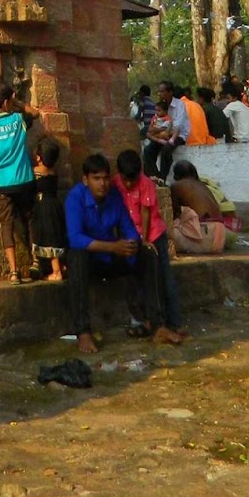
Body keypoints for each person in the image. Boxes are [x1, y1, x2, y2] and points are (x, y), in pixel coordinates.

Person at [64, 152, 180, 354]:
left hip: (111, 257)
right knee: (76, 256)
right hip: (91, 260)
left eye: (106, 178)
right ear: (86, 180)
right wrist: (113, 247)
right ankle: (83, 332)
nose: (103, 183)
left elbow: (128, 229)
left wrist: (133, 245)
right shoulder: (75, 197)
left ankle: (157, 324)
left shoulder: (114, 197)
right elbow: (75, 238)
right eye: (96, 178)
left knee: (148, 253)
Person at [113, 147, 185, 339]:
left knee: (164, 277)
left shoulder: (145, 184)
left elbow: (146, 213)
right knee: (139, 281)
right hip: (131, 236)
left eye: (132, 180)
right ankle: (145, 321)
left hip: (153, 235)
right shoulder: (116, 183)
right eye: (126, 180)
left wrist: (145, 240)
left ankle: (175, 322)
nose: (128, 184)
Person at [0, 78, 39, 282]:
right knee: (30, 220)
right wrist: (18, 102)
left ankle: (13, 271)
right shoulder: (17, 120)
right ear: (6, 102)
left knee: (6, 225)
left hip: (1, 183)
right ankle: (36, 261)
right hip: (24, 179)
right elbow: (35, 113)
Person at [169, 160, 228, 254]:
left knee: (164, 235)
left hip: (205, 234)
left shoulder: (177, 186)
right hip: (221, 235)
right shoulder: (203, 185)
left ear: (176, 175)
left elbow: (173, 214)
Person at [30, 136, 67, 281]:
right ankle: (62, 267)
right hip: (55, 206)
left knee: (49, 239)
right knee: (57, 236)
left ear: (39, 157)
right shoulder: (53, 173)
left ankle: (56, 271)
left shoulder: (36, 172)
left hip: (43, 208)